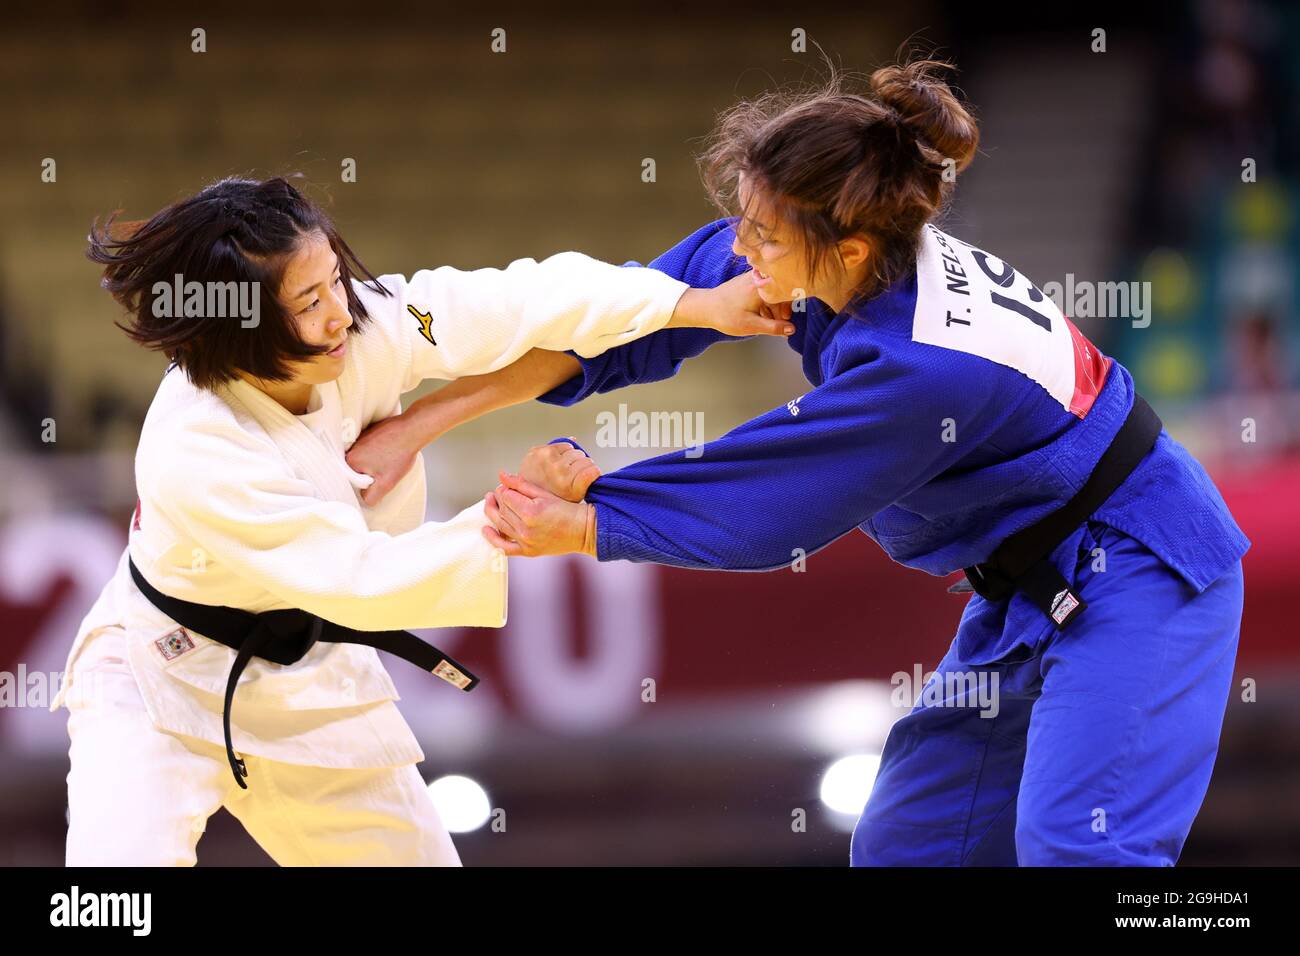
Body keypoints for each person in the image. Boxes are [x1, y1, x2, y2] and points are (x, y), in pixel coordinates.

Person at [463, 60, 1250, 866]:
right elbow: (639, 314)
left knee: (1079, 849)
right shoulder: (819, 244)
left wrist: (593, 515)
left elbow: (769, 499)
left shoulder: (925, 365)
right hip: (1029, 583)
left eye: (761, 237)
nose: (739, 248)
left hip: (1138, 564)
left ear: (847, 250)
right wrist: (429, 414)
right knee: (909, 848)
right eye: (742, 221)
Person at [51, 174, 790, 866]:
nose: (339, 313)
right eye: (307, 303)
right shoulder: (199, 446)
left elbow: (517, 300)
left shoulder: (368, 326)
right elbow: (358, 580)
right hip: (158, 676)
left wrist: (688, 305)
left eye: (334, 280)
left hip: (305, 676)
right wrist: (509, 511)